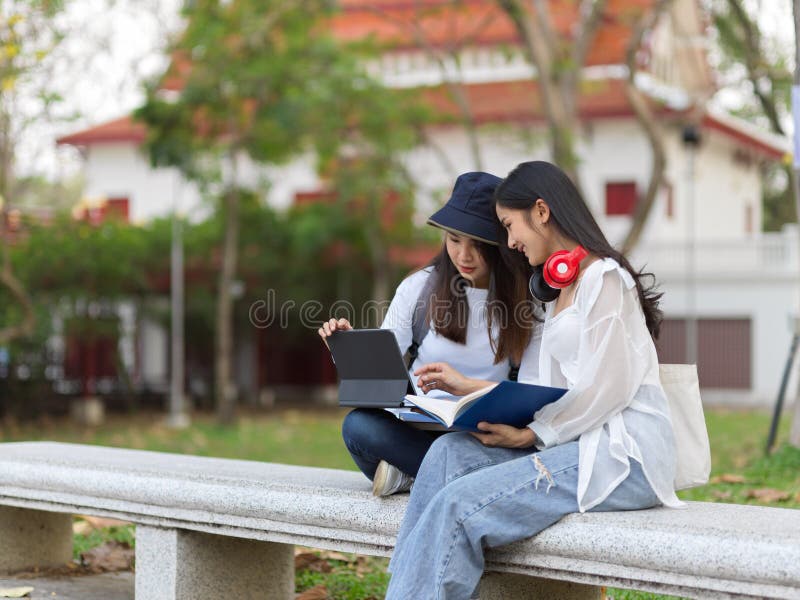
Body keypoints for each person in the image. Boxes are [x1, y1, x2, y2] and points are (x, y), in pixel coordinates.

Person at [385, 161, 683, 599]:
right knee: (447, 453)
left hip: (620, 453)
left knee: (459, 505)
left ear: (541, 211)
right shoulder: (552, 288)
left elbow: (609, 388)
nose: (509, 242)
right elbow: (539, 388)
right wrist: (472, 389)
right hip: (571, 441)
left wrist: (533, 435)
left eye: (509, 225)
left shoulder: (605, 279)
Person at [318, 172, 539, 496]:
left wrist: (468, 387)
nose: (464, 255)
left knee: (515, 447)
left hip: (484, 434)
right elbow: (381, 370)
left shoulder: (526, 299)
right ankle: (458, 478)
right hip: (418, 428)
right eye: (454, 240)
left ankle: (413, 473)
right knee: (359, 426)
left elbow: (532, 390)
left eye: (478, 245)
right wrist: (351, 348)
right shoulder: (419, 288)